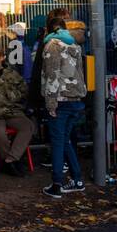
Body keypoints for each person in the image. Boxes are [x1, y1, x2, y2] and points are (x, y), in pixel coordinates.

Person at [40, 14, 87, 198]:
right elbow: (80, 73)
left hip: (60, 100)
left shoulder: (52, 46)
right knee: (66, 141)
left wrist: (50, 103)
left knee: (58, 143)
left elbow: (52, 75)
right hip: (75, 99)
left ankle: (57, 184)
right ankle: (77, 179)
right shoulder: (74, 45)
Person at [0, 47, 34, 176]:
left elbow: (24, 91)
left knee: (28, 126)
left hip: (11, 111)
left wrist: (11, 95)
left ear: (2, 57)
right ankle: (12, 164)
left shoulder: (11, 73)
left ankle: (11, 159)